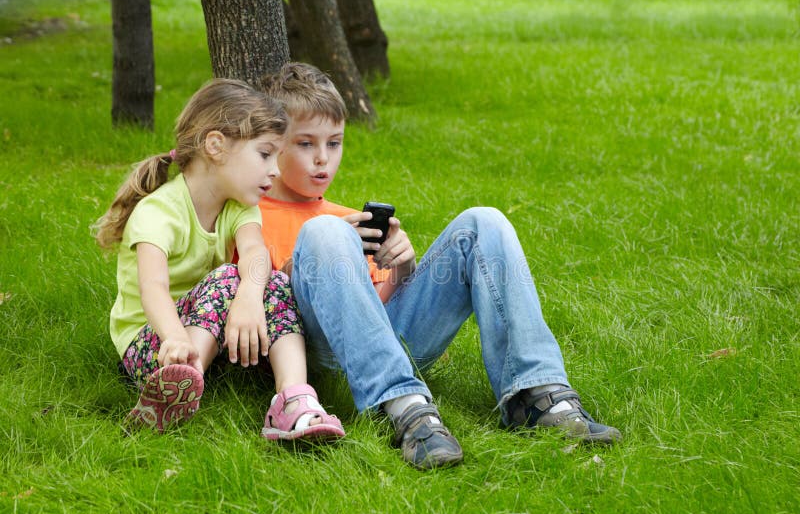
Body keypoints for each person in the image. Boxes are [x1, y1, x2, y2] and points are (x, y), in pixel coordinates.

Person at [257, 63, 621, 469]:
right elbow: (253, 302)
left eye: (335, 143)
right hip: (317, 348)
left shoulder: (349, 220)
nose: (323, 159)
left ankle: (536, 394)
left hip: (381, 344)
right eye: (306, 144)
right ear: (273, 144)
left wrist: (401, 269)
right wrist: (307, 260)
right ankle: (407, 410)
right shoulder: (248, 217)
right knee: (324, 233)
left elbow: (376, 315)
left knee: (484, 222)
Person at [93, 78, 344, 441]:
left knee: (274, 281)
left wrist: (249, 297)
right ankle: (178, 383)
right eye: (264, 154)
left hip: (204, 329)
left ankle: (294, 400)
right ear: (216, 146)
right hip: (154, 346)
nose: (275, 170)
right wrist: (175, 339)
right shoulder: (158, 212)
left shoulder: (239, 208)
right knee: (229, 276)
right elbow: (154, 289)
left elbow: (256, 252)